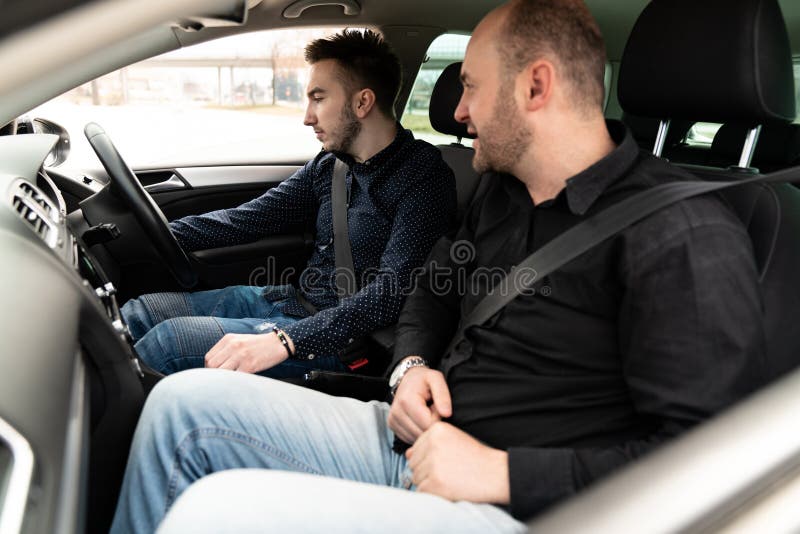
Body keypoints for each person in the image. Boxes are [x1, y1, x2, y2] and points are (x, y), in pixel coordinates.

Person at [110, 0, 766, 532]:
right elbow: (429, 289)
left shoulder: (681, 234)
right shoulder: (505, 194)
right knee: (179, 406)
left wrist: (503, 474)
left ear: (536, 85)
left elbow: (708, 462)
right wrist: (411, 367)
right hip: (419, 437)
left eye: (471, 86)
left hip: (516, 504)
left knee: (212, 513)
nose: (457, 110)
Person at [121, 29, 456, 378]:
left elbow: (391, 293)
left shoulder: (423, 178)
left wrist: (286, 340)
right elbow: (248, 219)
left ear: (362, 103)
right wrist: (150, 234)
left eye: (318, 98)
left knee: (166, 345)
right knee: (140, 313)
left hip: (343, 343)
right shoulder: (331, 165)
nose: (307, 117)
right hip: (290, 303)